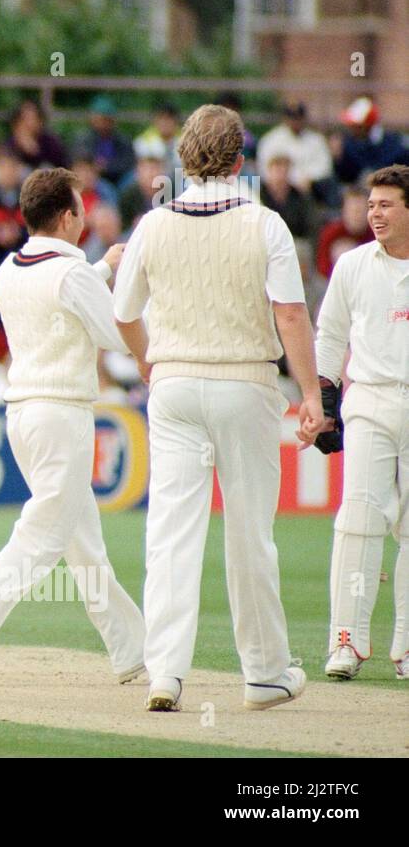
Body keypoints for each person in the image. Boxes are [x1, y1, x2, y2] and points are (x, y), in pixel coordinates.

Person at [113, 104, 321, 713]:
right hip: (243, 383)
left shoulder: (154, 224)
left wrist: (152, 364)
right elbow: (289, 312)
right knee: (249, 532)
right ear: (239, 160)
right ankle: (263, 673)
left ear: (182, 158)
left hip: (174, 386)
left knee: (170, 534)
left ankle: (165, 672)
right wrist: (311, 394)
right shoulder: (265, 223)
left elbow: (124, 314)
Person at [0, 167, 145, 686]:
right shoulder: (70, 274)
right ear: (68, 216)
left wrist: (101, 269)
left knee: (82, 541)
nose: (86, 216)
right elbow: (114, 331)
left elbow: (60, 297)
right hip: (61, 413)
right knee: (45, 534)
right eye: (81, 209)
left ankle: (133, 650)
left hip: (24, 412)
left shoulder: (8, 268)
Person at [312, 164, 409, 681]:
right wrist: (324, 403)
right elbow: (329, 337)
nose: (374, 213)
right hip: (369, 401)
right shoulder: (351, 266)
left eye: (387, 204)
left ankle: (407, 647)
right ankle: (345, 641)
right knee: (357, 522)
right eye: (372, 205)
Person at [257, 103, 336, 205]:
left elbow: (325, 167)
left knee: (329, 184)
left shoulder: (316, 140)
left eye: (298, 118)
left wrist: (309, 178)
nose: (295, 122)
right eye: (292, 118)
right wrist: (289, 181)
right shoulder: (271, 140)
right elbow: (263, 168)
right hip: (278, 188)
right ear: (285, 119)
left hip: (310, 188)